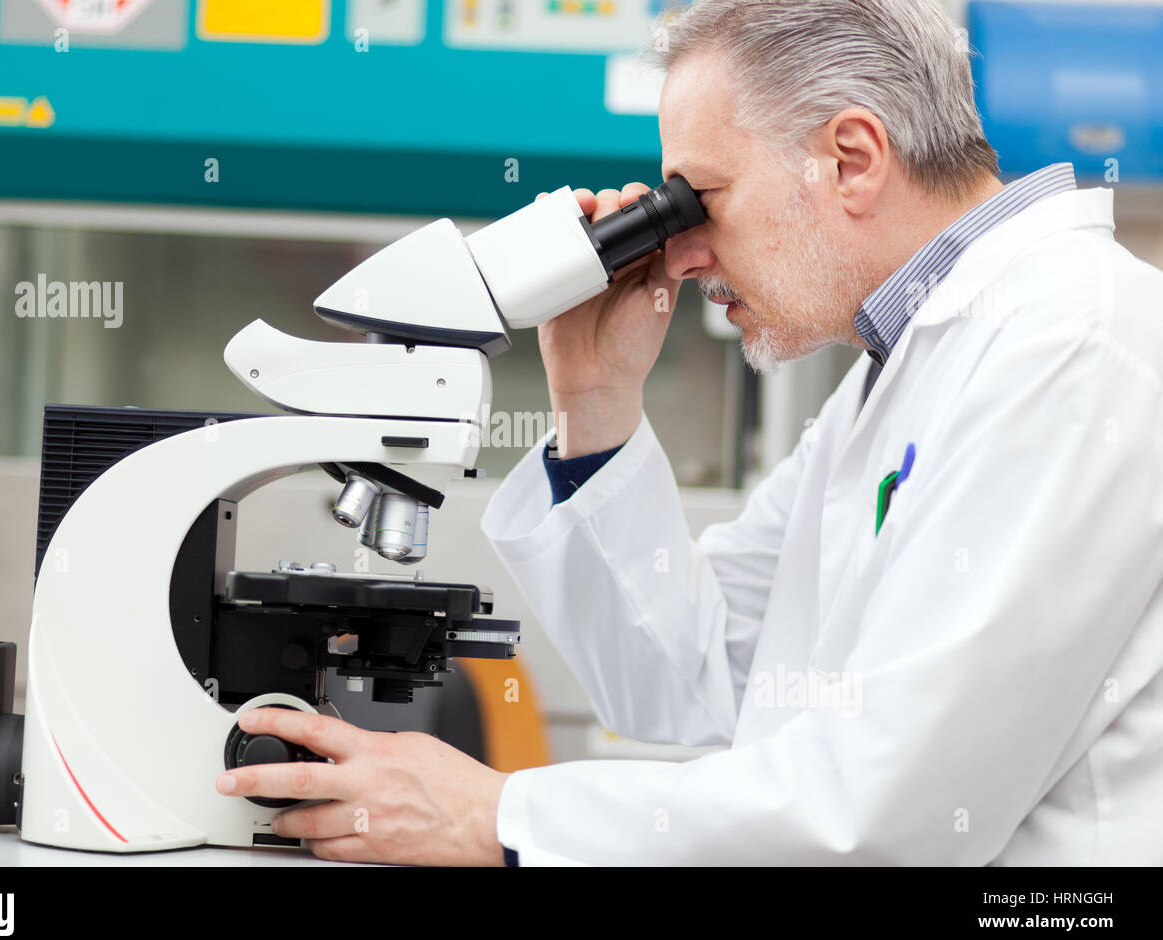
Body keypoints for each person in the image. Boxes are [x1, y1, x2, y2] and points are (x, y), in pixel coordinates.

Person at [216, 0, 1163, 865]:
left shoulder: (1070, 344)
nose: (681, 248)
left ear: (851, 159)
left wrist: (491, 815)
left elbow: (892, 808)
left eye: (701, 197)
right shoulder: (894, 375)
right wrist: (594, 398)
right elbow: (693, 689)